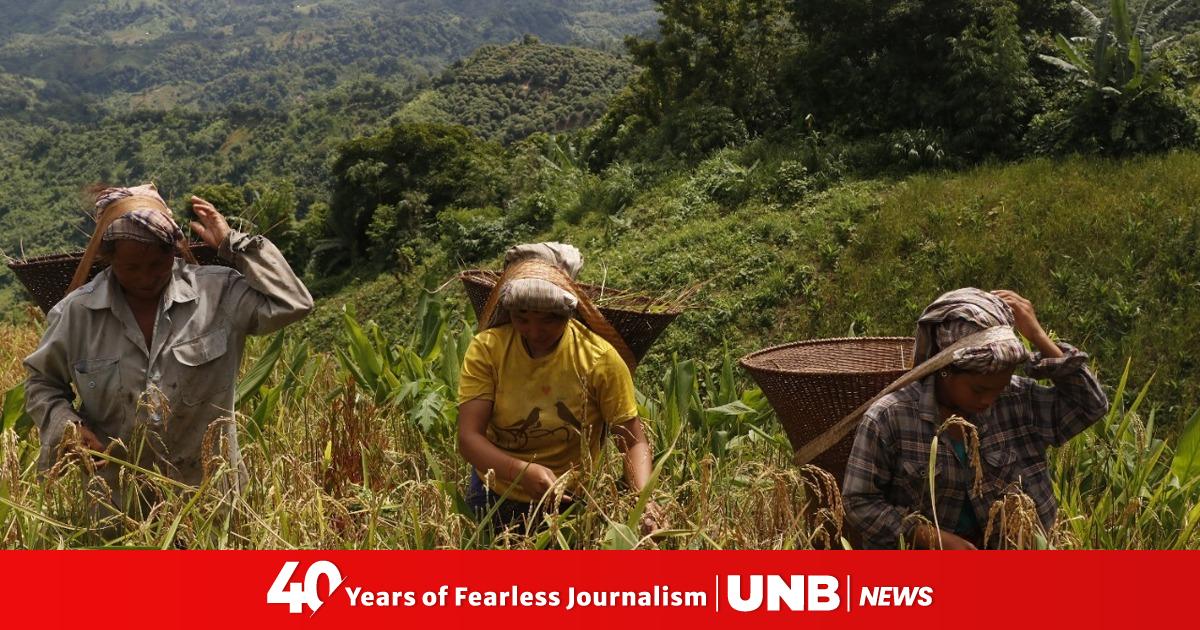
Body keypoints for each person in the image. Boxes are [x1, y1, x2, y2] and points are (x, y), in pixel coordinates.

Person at [24, 183, 313, 499]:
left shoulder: (219, 293)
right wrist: (69, 427)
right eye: (131, 267)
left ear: (173, 252)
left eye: (156, 265)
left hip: (210, 501)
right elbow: (42, 383)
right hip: (118, 505)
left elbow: (292, 302)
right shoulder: (76, 314)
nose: (145, 278)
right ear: (108, 259)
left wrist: (233, 243)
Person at [842, 288, 1109, 549]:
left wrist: (1037, 335)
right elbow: (860, 503)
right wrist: (929, 537)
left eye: (999, 387)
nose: (989, 400)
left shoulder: (1018, 400)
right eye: (979, 389)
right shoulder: (890, 417)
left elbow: (1090, 405)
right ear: (944, 370)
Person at [456, 243, 662, 536]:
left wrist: (645, 501)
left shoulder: (598, 359)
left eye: (549, 319)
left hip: (571, 499)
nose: (535, 331)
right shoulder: (488, 350)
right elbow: (468, 437)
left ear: (569, 312)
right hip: (495, 489)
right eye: (522, 318)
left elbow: (632, 441)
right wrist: (520, 473)